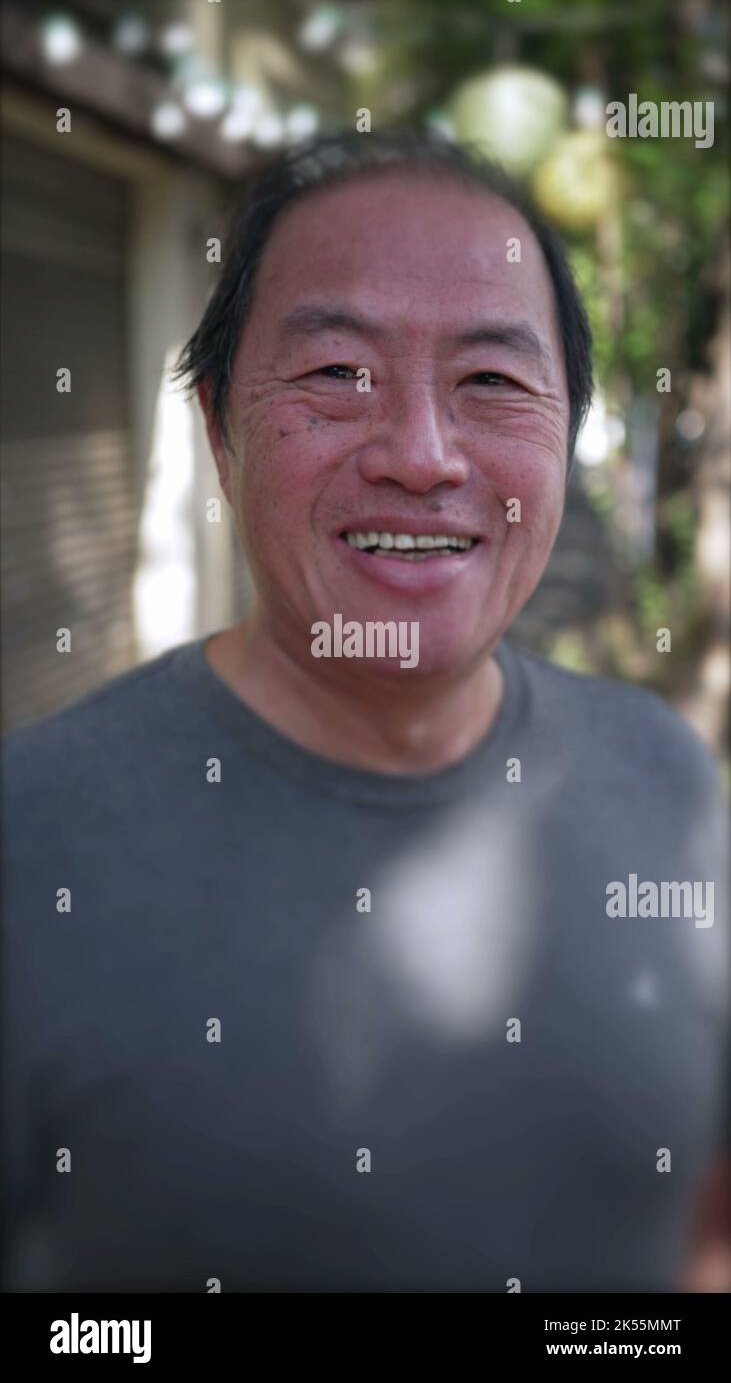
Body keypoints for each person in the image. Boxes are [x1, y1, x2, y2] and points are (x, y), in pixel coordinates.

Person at [3, 131, 727, 1293]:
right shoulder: (31, 836)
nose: (421, 455)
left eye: (490, 380)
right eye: (336, 372)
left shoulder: (665, 776)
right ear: (218, 435)